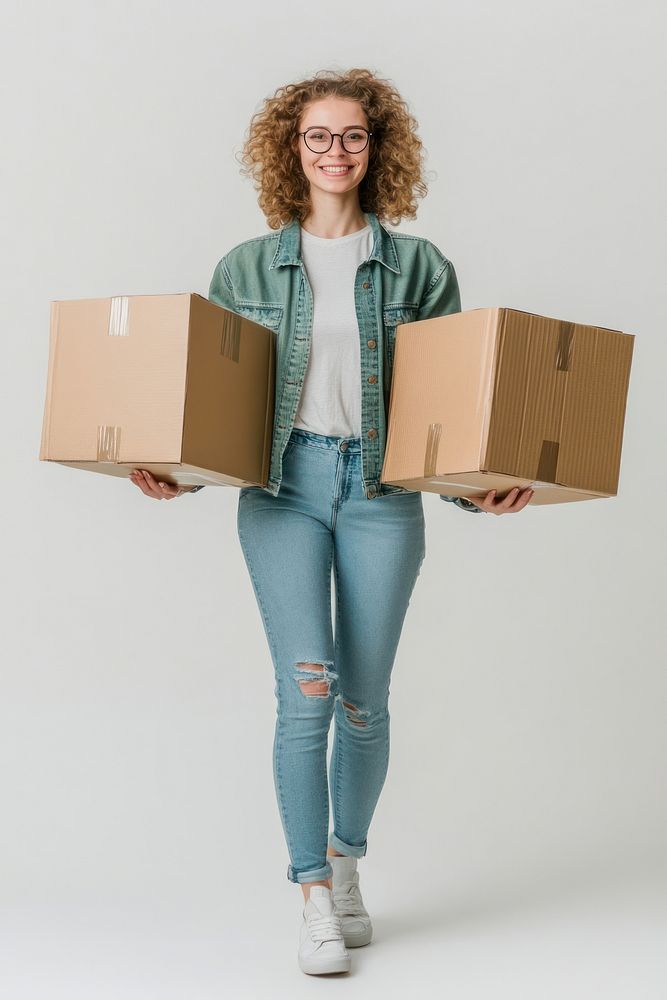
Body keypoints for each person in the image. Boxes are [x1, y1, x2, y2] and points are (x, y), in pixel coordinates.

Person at [129, 68, 532, 975]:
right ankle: (311, 895)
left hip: (381, 494)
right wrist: (177, 478)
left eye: (352, 135)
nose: (335, 151)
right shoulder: (245, 268)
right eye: (318, 135)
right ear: (292, 148)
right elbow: (218, 404)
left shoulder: (420, 267)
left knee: (362, 702)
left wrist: (473, 491)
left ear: (375, 147)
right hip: (284, 489)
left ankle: (347, 865)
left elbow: (442, 407)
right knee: (305, 689)